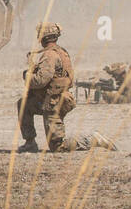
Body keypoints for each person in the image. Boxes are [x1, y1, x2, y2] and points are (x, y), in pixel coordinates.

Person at [18, 23, 117, 153]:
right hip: (51, 100)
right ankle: (30, 142)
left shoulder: (49, 55)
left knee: (58, 147)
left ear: (43, 38)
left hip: (53, 103)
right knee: (24, 105)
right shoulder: (61, 52)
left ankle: (93, 139)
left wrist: (27, 76)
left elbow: (41, 80)